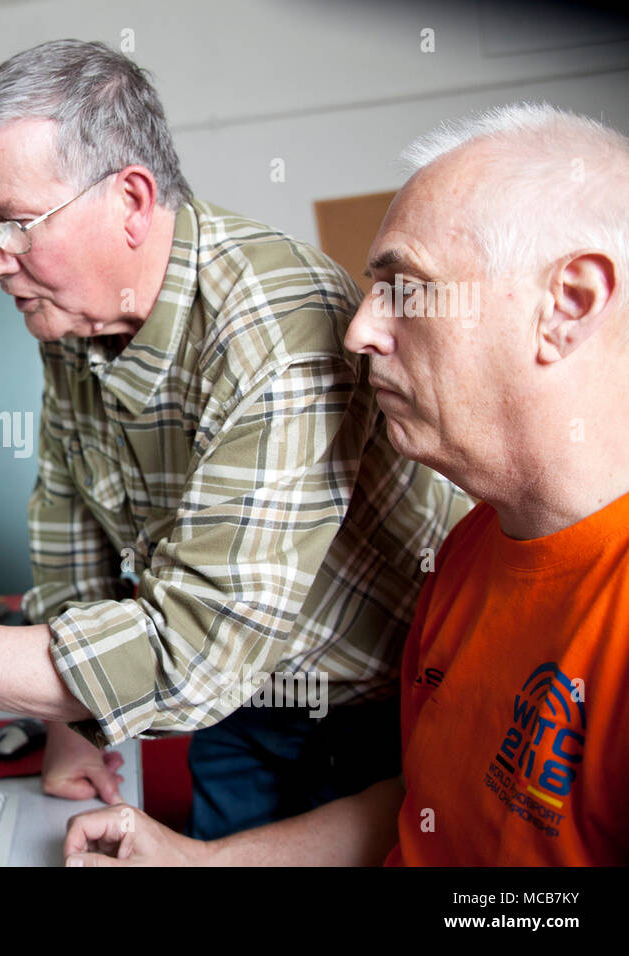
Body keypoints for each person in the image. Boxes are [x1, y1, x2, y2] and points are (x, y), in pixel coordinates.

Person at [0, 39, 467, 840]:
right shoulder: (70, 322)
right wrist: (73, 724)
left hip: (386, 709)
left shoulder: (273, 326)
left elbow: (195, 656)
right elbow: (72, 540)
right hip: (248, 711)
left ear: (132, 200)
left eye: (12, 226)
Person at [62, 102, 629, 866]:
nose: (360, 331)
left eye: (405, 287)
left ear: (568, 306)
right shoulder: (464, 554)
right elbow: (417, 806)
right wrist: (201, 862)